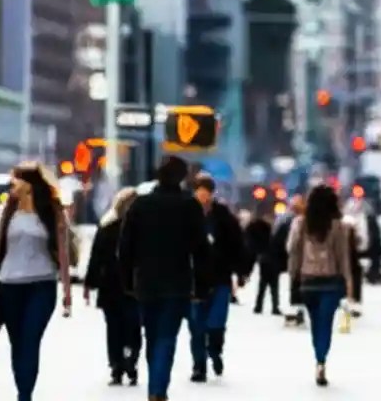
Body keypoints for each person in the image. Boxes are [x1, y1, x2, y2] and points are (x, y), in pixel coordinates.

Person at [0, 163, 74, 401]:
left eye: (16, 180)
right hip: (9, 286)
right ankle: (23, 389)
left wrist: (67, 291)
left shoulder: (52, 211)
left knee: (30, 341)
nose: (12, 185)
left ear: (29, 184)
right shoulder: (5, 210)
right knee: (17, 343)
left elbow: (62, 251)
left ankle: (24, 395)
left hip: (42, 286)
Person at [119, 156, 212, 401]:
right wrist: (202, 285)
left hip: (147, 282)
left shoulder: (140, 205)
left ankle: (156, 385)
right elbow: (201, 249)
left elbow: (125, 247)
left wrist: (127, 280)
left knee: (151, 335)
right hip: (177, 282)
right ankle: (158, 389)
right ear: (182, 177)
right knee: (167, 336)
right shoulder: (189, 206)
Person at [288, 184, 355, 386]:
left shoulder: (300, 224)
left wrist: (294, 277)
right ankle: (321, 360)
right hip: (331, 282)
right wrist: (349, 282)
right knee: (325, 323)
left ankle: (318, 356)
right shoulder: (339, 226)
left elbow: (293, 251)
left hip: (308, 282)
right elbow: (343, 257)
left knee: (316, 323)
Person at [187, 173, 249, 382]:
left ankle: (215, 351)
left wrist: (240, 272)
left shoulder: (224, 217)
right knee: (196, 326)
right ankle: (199, 365)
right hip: (194, 279)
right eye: (200, 194)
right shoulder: (185, 215)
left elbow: (237, 245)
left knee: (216, 323)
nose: (204, 199)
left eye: (207, 194)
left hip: (220, 277)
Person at [84, 187, 142, 386]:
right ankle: (130, 360)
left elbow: (96, 257)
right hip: (134, 286)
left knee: (114, 328)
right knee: (133, 327)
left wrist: (89, 283)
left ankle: (117, 365)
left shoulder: (108, 226)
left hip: (110, 286)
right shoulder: (143, 229)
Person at [274, 194, 307, 325]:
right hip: (301, 260)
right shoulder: (302, 221)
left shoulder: (288, 221)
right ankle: (298, 312)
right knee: (298, 287)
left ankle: (297, 312)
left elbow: (284, 242)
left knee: (296, 287)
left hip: (296, 259)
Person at [246, 208, 282, 315]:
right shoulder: (269, 228)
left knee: (263, 283)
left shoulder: (254, 227)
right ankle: (274, 306)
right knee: (274, 285)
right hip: (272, 258)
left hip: (264, 258)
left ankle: (259, 305)